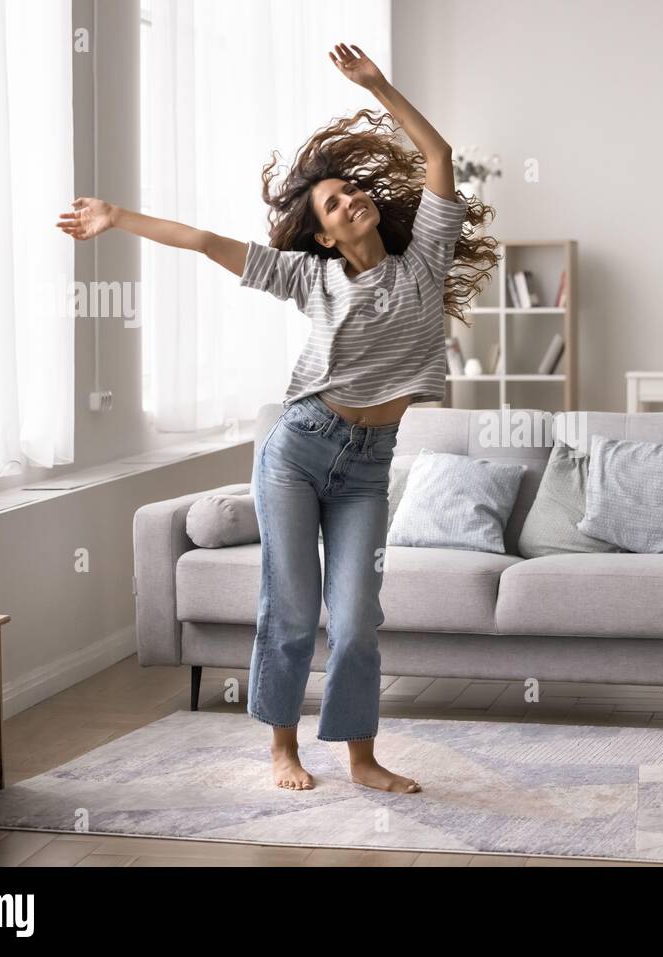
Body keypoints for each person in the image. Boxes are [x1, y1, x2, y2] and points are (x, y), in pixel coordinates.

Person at [57, 43, 498, 793]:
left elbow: (438, 153)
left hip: (367, 466)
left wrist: (379, 85)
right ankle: (282, 748)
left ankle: (361, 757)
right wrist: (116, 216)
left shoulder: (423, 257)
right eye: (332, 203)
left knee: (357, 616)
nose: (350, 200)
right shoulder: (309, 275)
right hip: (296, 453)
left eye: (351, 193)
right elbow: (205, 242)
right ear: (323, 233)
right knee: (291, 609)